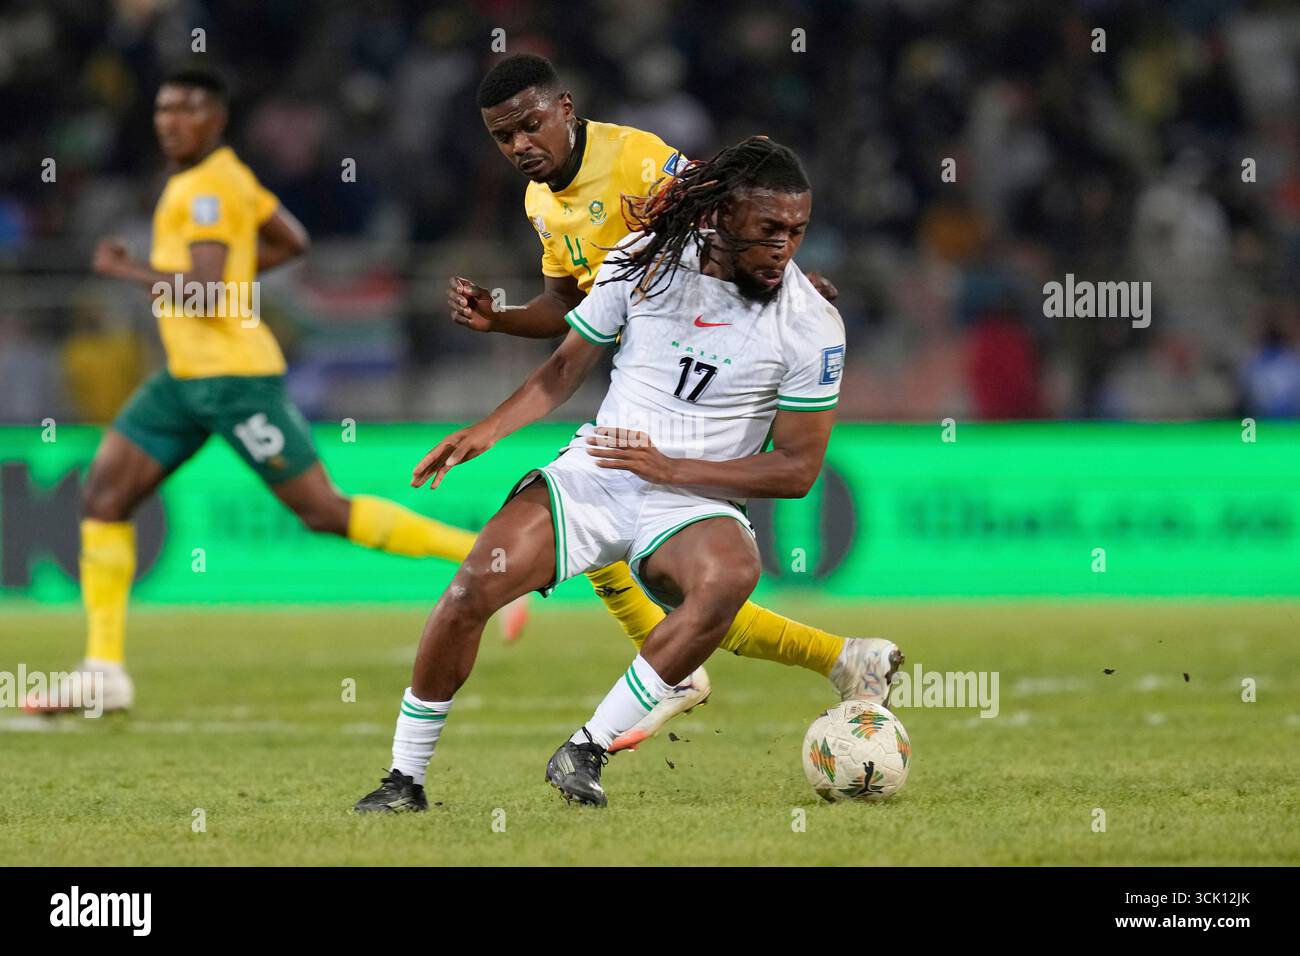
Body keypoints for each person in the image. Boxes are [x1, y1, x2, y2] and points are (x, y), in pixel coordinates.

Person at [355, 135, 888, 812]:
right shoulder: (642, 261)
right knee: (468, 593)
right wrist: (486, 429)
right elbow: (564, 368)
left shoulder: (813, 324)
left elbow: (799, 469)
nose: (784, 247)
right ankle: (404, 780)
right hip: (600, 470)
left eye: (797, 231)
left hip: (696, 498)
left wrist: (673, 467)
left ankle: (587, 749)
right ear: (722, 216)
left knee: (730, 575)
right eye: (768, 230)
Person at [26, 69, 523, 714]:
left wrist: (126, 268)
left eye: (187, 110)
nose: (170, 121)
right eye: (163, 109)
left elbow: (203, 292)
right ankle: (102, 672)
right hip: (184, 377)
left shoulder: (204, 189)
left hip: (234, 379)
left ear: (216, 120)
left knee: (322, 511)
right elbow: (293, 241)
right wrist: (232, 271)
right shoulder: (230, 179)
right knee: (104, 494)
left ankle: (486, 559)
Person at [440, 53, 901, 749]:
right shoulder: (541, 203)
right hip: (632, 349)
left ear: (565, 108)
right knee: (602, 534)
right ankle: (837, 659)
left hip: (706, 361)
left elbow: (732, 207)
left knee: (679, 568)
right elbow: (568, 305)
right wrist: (499, 317)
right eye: (504, 138)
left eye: (529, 126)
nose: (519, 146)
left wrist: (793, 282)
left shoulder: (636, 158)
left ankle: (781, 663)